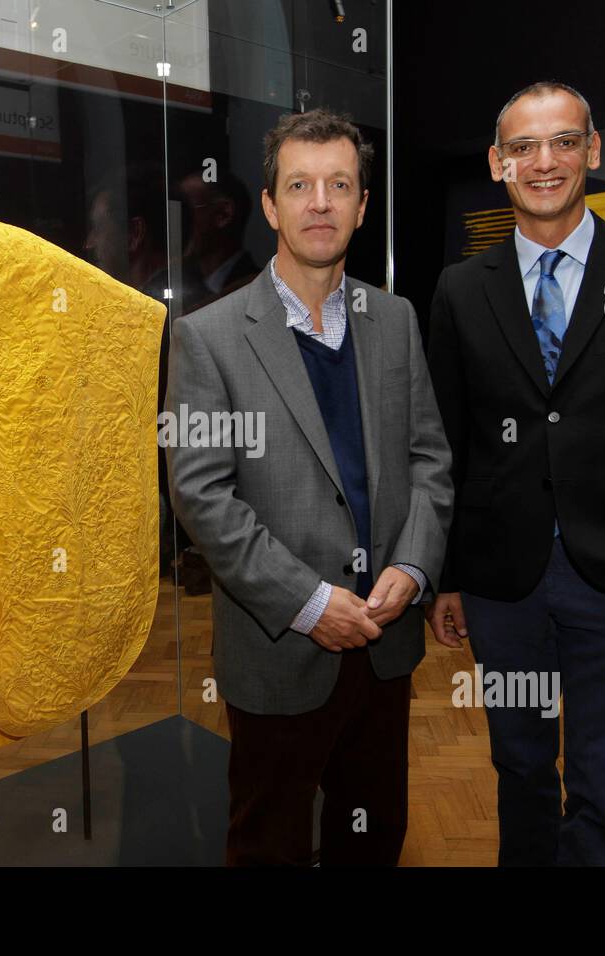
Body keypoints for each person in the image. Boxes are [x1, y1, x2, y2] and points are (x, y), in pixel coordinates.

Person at [425, 80, 605, 866]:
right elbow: (448, 442)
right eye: (523, 146)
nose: (544, 161)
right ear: (498, 164)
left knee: (601, 779)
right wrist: (447, 573)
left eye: (563, 141)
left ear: (592, 151)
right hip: (502, 581)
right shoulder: (461, 289)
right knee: (519, 767)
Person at [165, 108, 453, 866]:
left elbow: (430, 459)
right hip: (279, 647)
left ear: (362, 206)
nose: (320, 201)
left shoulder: (394, 320)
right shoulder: (209, 336)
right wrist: (309, 602)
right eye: (299, 185)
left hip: (385, 641)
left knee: (374, 832)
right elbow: (202, 496)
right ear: (270, 206)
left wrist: (416, 568)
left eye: (339, 185)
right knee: (270, 841)